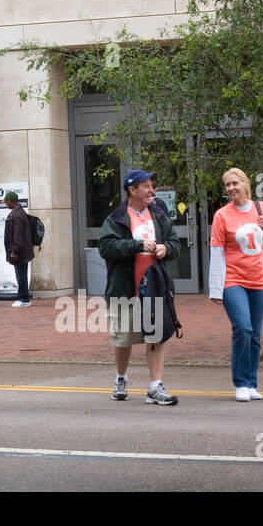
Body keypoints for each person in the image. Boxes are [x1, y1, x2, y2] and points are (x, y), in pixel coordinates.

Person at [98, 169, 179, 406]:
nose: (152, 190)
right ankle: (121, 378)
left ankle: (155, 386)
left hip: (155, 287)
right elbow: (106, 247)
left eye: (152, 186)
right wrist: (137, 245)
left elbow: (174, 241)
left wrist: (166, 249)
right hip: (125, 288)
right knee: (124, 338)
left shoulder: (159, 214)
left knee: (156, 336)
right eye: (146, 186)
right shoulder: (116, 218)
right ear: (132, 190)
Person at [209, 167, 263, 401]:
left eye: (235, 183)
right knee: (243, 328)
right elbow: (216, 252)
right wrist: (215, 288)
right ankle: (240, 382)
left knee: (255, 334)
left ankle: (251, 383)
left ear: (245, 184)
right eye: (227, 185)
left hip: (260, 279)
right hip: (233, 279)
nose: (231, 188)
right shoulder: (222, 215)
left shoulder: (261, 207)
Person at [3, 192, 35, 307]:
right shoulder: (19, 212)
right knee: (21, 274)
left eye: (6, 202)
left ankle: (23, 299)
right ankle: (25, 297)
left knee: (21, 275)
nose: (6, 204)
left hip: (19, 252)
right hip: (22, 250)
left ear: (11, 201)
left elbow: (18, 235)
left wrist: (14, 251)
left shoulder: (16, 215)